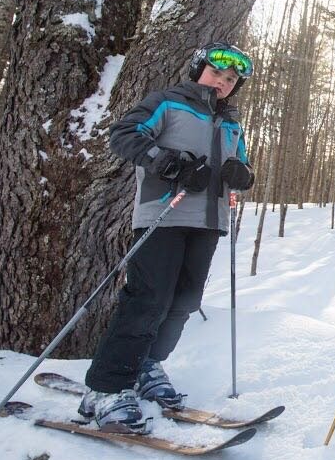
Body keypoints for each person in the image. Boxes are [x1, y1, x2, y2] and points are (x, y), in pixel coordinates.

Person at [79, 43, 256, 432]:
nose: (222, 83)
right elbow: (124, 135)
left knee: (184, 302)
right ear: (197, 70)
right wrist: (167, 162)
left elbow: (242, 163)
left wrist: (242, 175)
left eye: (230, 80)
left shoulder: (231, 123)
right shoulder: (167, 103)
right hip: (164, 215)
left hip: (210, 221)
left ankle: (147, 366)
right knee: (148, 299)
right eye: (216, 73)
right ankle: (105, 387)